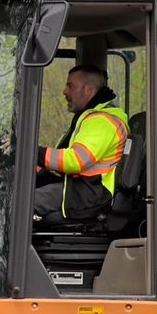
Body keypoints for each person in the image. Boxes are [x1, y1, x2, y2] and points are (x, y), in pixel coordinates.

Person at [32, 64, 129, 225]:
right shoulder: (87, 118)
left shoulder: (102, 122)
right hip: (79, 189)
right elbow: (60, 160)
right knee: (21, 192)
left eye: (70, 86)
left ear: (88, 91)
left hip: (88, 195)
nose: (64, 91)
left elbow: (75, 160)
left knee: (22, 202)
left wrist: (31, 152)